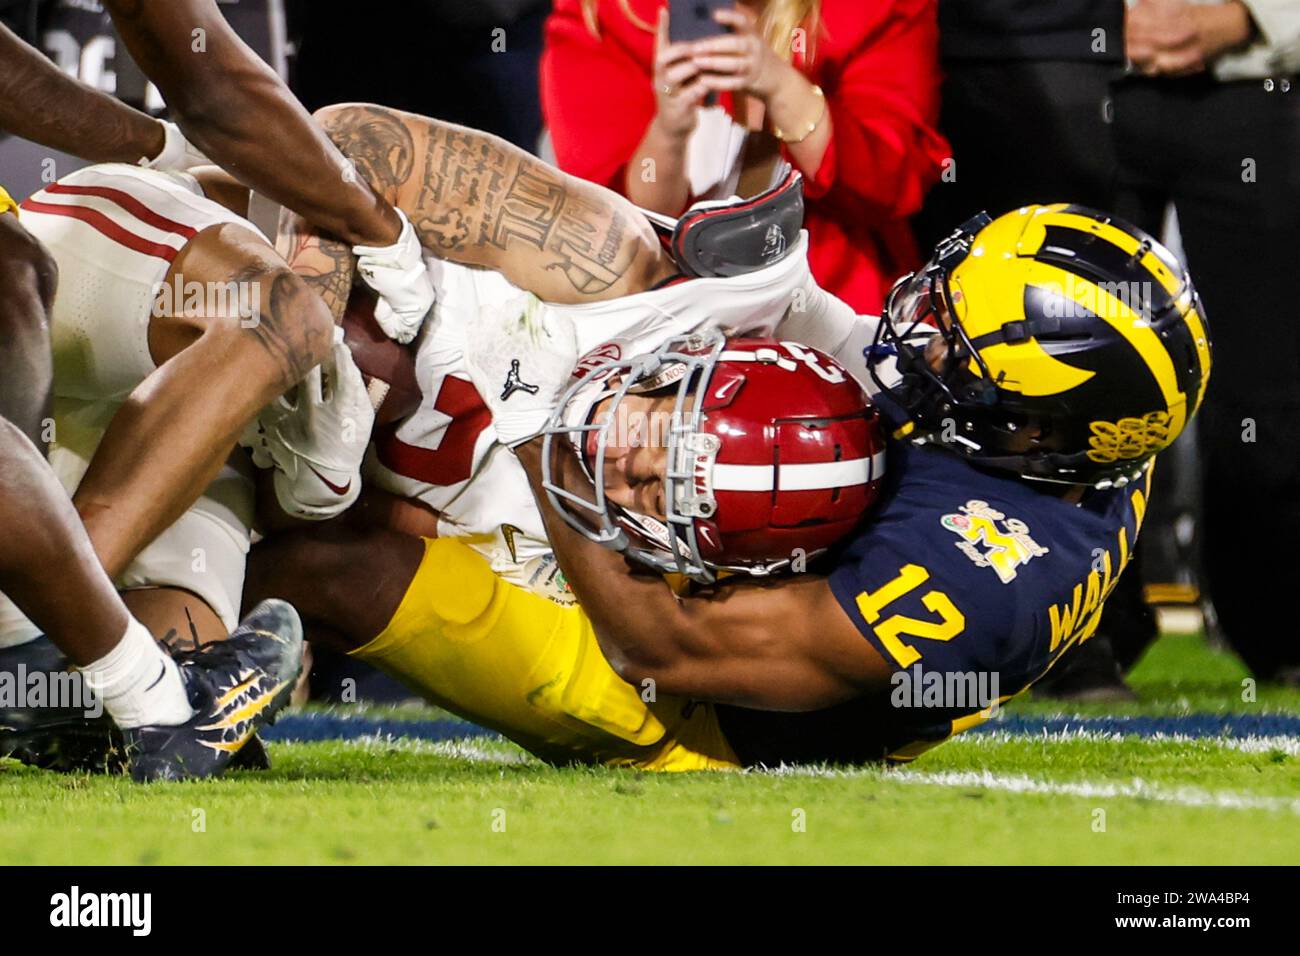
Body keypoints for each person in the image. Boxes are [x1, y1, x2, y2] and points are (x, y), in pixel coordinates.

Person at [540, 0, 949, 313]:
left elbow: (890, 184)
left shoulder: (871, 11)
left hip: (831, 287)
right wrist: (670, 127)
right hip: (665, 303)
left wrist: (779, 85)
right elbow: (619, 229)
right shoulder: (601, 16)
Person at [1113, 0, 1300, 683]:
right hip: (1073, 80)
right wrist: (1087, 22)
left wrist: (1259, 17)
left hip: (1258, 80)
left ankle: (1278, 630)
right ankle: (1082, 636)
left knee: (1270, 379)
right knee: (1065, 365)